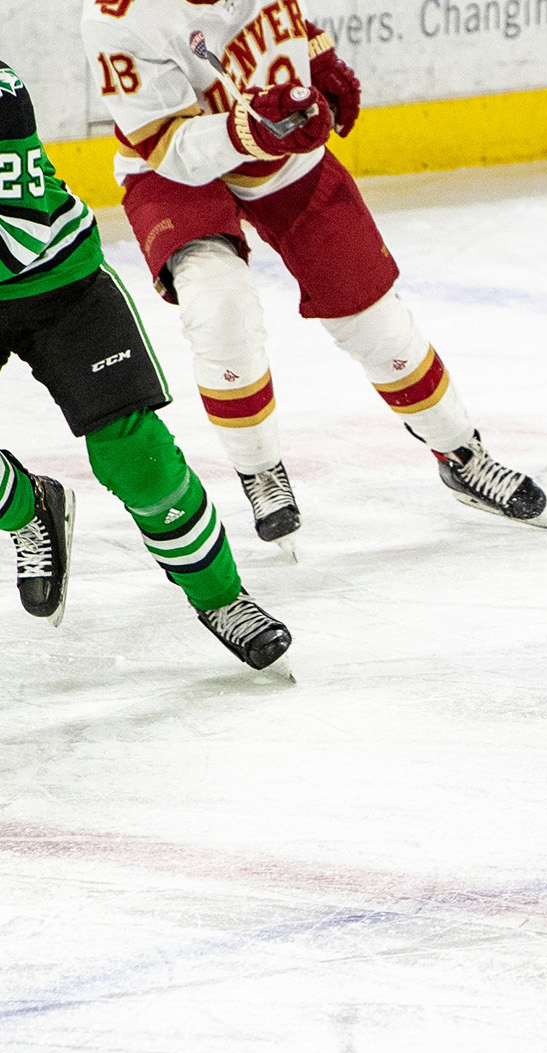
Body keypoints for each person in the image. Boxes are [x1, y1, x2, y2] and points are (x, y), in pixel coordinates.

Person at [80, 1, 547, 554]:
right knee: (219, 306)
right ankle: (259, 471)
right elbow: (169, 147)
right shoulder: (117, 16)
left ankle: (461, 454)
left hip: (285, 150)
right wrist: (252, 129)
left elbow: (282, 19)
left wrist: (316, 58)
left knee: (375, 321)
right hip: (176, 169)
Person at [0, 59, 290, 670]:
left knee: (137, 458)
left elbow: (20, 233)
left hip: (58, 283)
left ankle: (223, 599)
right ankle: (32, 510)